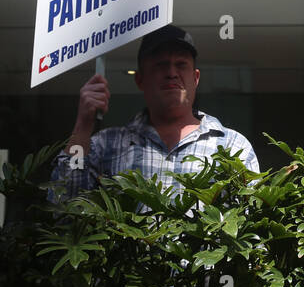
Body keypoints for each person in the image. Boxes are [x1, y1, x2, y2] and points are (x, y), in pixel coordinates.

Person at [51, 24, 258, 199]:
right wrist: (83, 126)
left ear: (195, 78)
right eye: (161, 65)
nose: (171, 73)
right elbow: (63, 208)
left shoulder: (232, 146)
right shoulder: (106, 145)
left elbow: (251, 231)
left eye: (181, 64)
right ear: (140, 79)